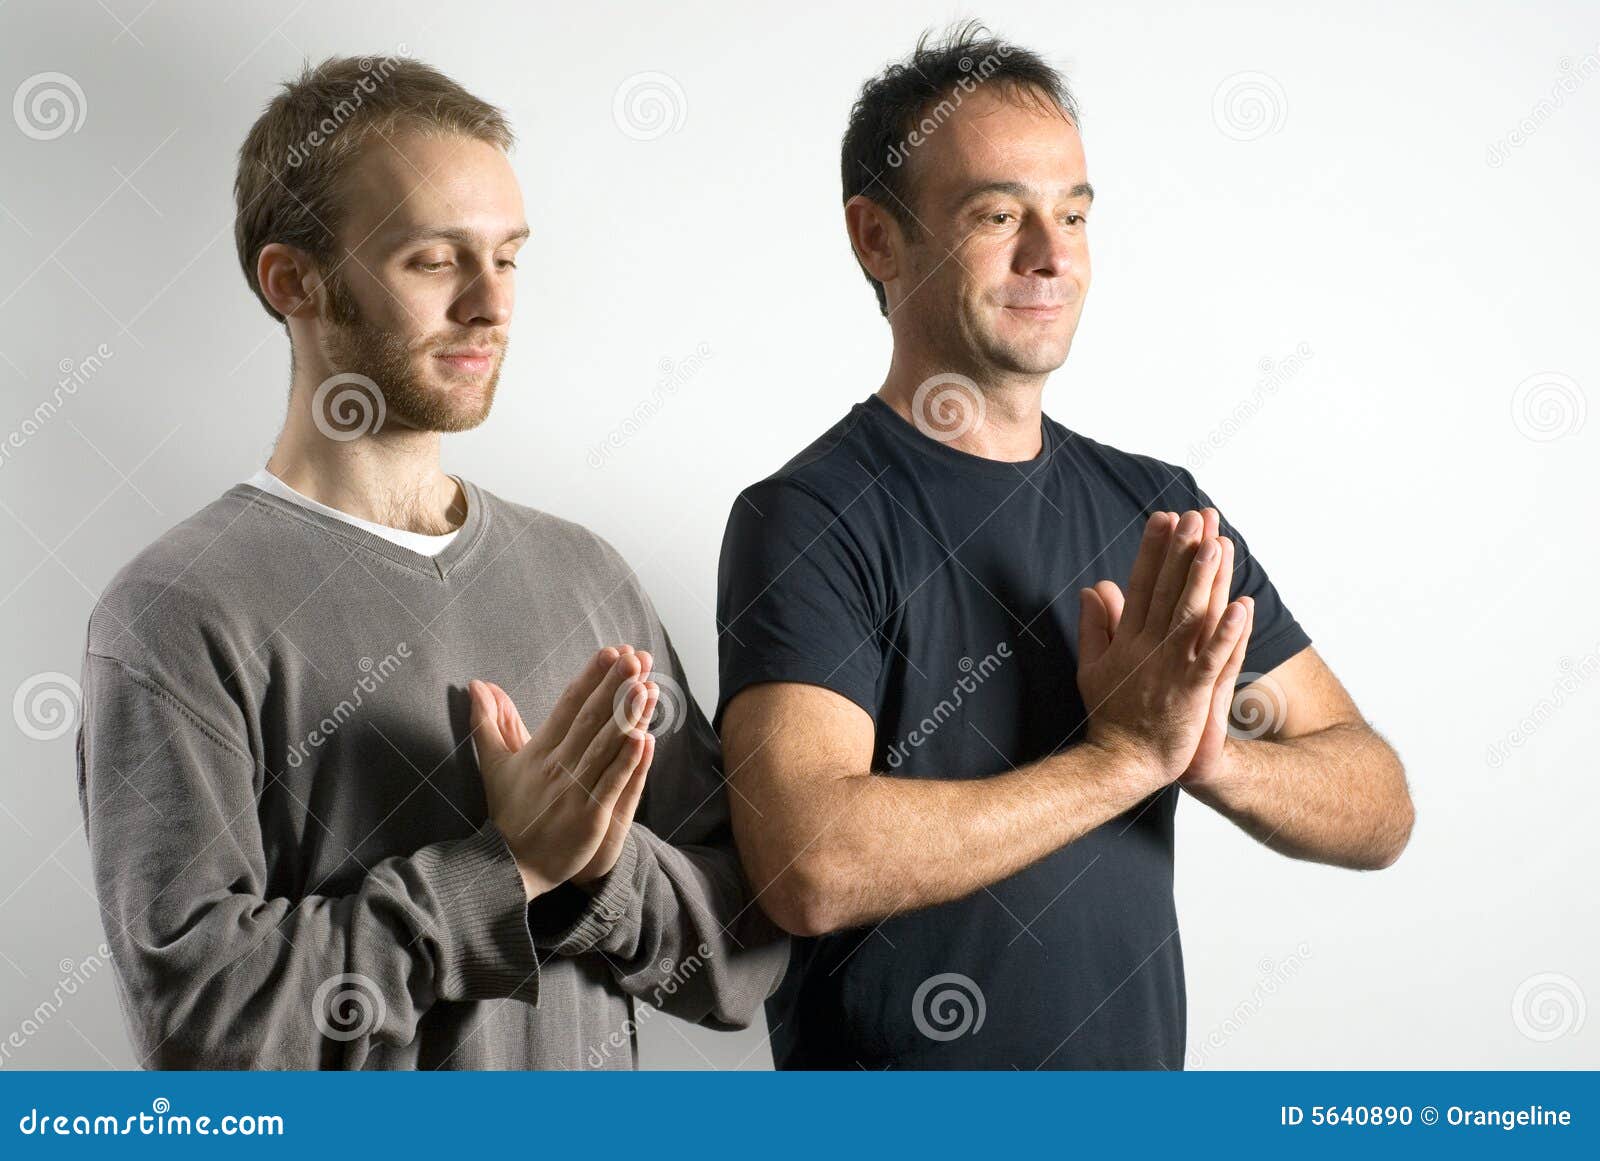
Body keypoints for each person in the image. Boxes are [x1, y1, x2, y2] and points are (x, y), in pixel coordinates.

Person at [714, 23, 1414, 1070]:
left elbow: (1377, 804)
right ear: (876, 238)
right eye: (999, 214)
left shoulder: (1158, 512)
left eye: (1074, 215)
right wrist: (1123, 758)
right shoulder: (810, 516)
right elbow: (808, 864)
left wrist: (1211, 758)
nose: (1051, 256)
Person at [75, 54, 786, 1069]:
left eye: (508, 256)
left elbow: (743, 958)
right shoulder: (176, 613)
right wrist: (503, 872)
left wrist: (597, 871)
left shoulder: (586, 578)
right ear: (295, 282)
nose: (491, 305)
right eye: (432, 259)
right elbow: (208, 1034)